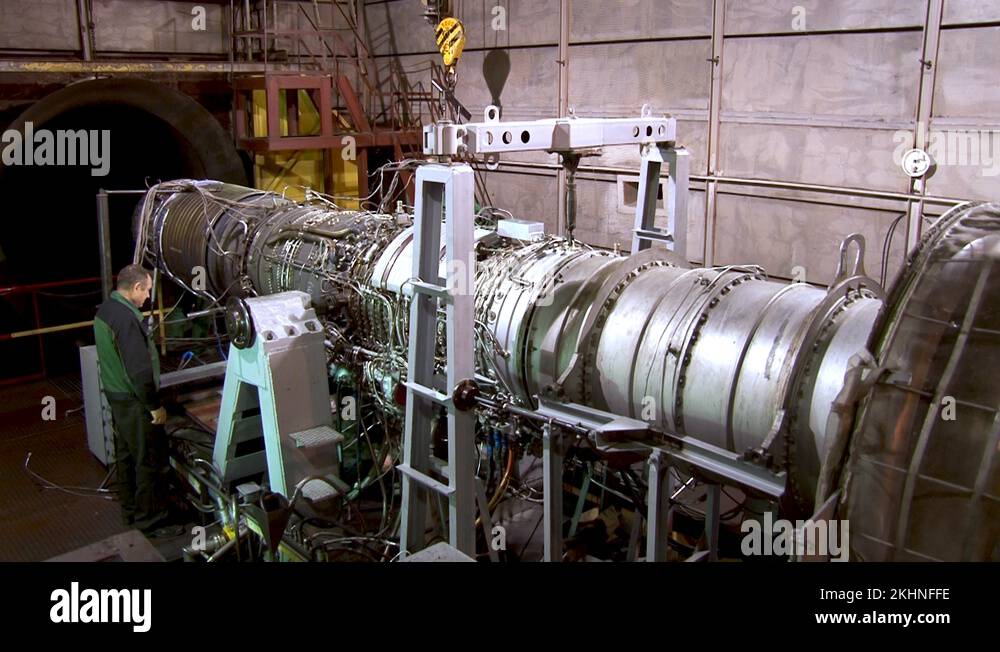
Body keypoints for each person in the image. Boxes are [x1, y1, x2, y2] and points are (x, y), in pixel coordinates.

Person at [93, 264, 181, 537]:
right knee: (149, 461)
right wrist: (154, 405)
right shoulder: (127, 319)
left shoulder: (106, 310)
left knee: (127, 456)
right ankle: (152, 522)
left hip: (116, 397)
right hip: (134, 401)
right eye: (147, 291)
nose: (148, 298)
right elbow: (139, 370)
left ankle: (131, 511)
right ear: (136, 288)